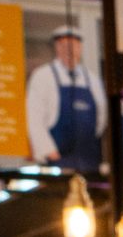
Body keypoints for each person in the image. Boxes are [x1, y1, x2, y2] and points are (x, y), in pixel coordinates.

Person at [26, 23, 105, 175]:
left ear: (80, 47)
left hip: (89, 161)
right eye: (63, 45)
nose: (68, 50)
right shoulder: (43, 76)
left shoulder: (92, 79)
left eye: (73, 45)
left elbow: (101, 118)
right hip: (57, 160)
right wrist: (50, 153)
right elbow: (33, 118)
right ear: (56, 47)